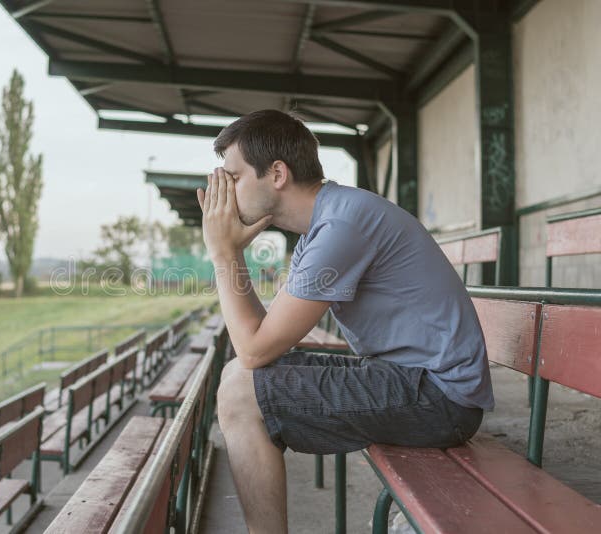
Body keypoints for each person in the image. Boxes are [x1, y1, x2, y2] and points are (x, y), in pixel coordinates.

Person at [196, 109, 493, 534]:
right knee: (237, 378)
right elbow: (261, 341)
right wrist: (232, 253)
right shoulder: (325, 225)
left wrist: (223, 253)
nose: (223, 192)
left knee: (242, 394)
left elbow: (254, 346)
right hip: (411, 380)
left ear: (277, 173)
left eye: (233, 176)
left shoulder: (341, 226)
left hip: (440, 399)